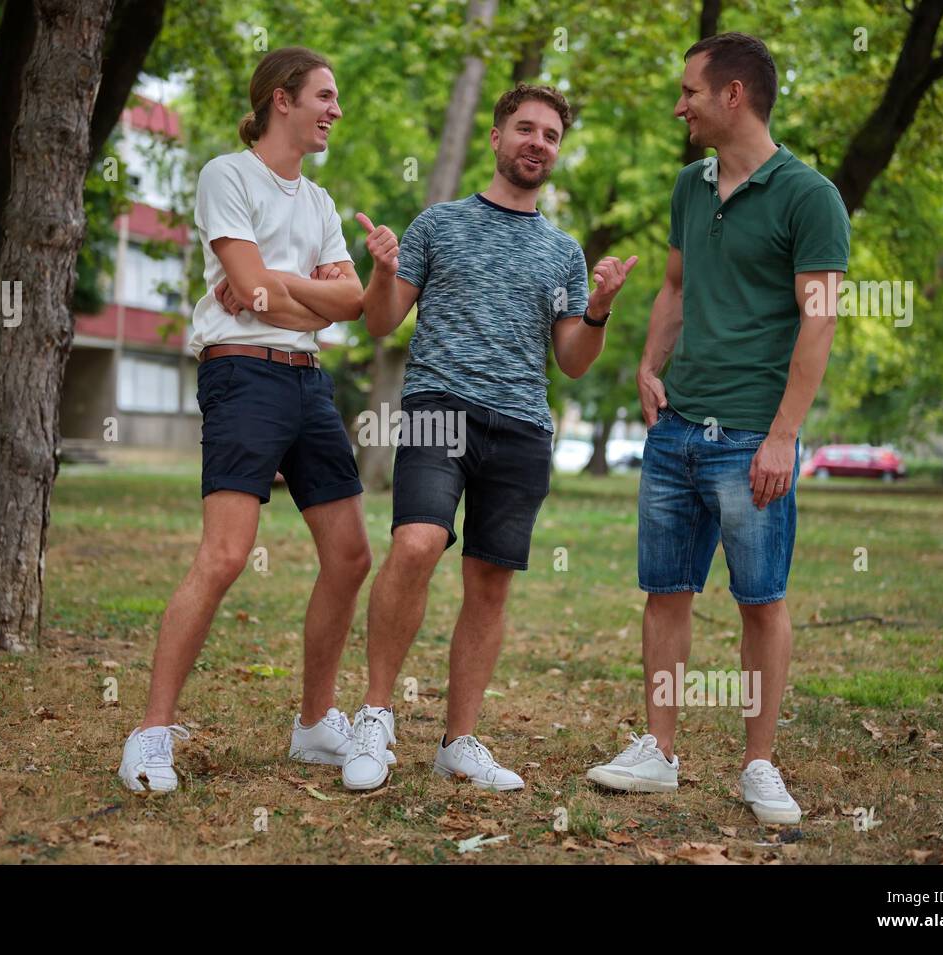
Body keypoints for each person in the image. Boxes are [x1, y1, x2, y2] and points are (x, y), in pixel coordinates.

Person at [585, 33, 850, 825]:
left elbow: (821, 323)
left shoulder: (810, 196)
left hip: (750, 437)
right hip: (676, 431)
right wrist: (647, 363)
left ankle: (758, 763)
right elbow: (672, 286)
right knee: (665, 593)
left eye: (690, 92)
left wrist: (783, 435)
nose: (680, 106)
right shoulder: (688, 185)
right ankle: (659, 753)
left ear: (733, 95)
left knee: (760, 600)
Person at [342, 84, 638, 792]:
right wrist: (381, 271)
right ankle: (374, 718)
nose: (538, 143)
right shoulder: (437, 225)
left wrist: (596, 311)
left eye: (552, 136)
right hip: (440, 405)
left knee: (490, 582)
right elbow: (380, 323)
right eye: (526, 129)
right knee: (416, 543)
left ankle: (460, 740)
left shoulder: (565, 252)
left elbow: (570, 359)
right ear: (498, 137)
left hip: (523, 427)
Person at [118, 47, 382, 794]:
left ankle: (313, 723)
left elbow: (350, 304)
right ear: (280, 99)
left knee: (352, 555)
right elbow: (247, 289)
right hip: (241, 375)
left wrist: (276, 285)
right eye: (324, 96)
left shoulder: (321, 202)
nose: (335, 109)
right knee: (226, 554)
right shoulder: (227, 175)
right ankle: (148, 735)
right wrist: (289, 292)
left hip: (308, 382)